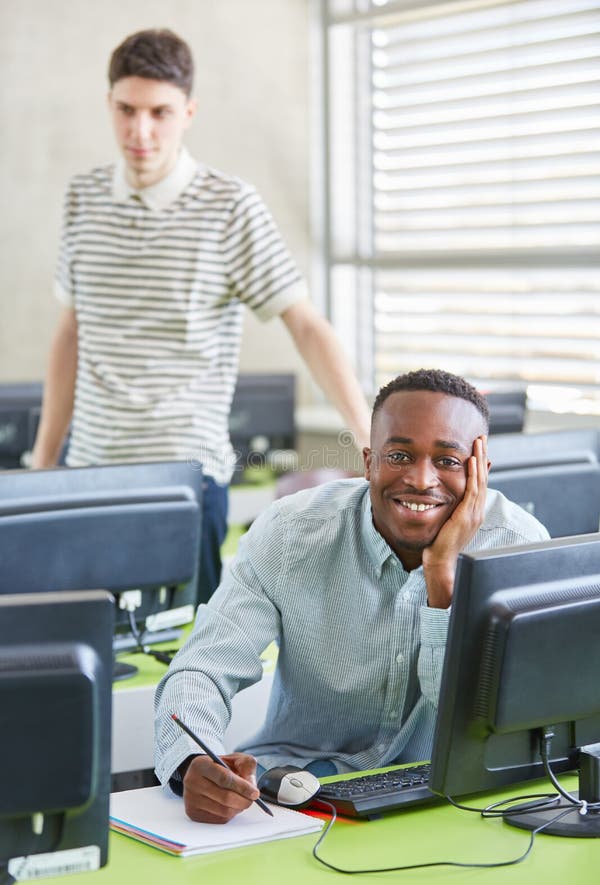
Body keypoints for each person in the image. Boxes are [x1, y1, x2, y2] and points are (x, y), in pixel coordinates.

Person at [30, 28, 371, 602]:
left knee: (191, 668)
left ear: (188, 112)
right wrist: (43, 462)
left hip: (185, 477)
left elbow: (306, 324)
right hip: (87, 471)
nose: (141, 131)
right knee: (85, 661)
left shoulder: (230, 205)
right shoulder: (82, 198)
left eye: (160, 112)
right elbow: (71, 333)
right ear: (109, 105)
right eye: (127, 110)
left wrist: (367, 436)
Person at [154, 368, 550, 824]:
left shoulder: (516, 545)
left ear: (480, 472)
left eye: (448, 460)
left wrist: (442, 579)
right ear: (369, 463)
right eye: (400, 455)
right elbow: (203, 668)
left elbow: (486, 725)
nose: (422, 479)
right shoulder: (290, 532)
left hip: (446, 805)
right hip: (292, 796)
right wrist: (190, 762)